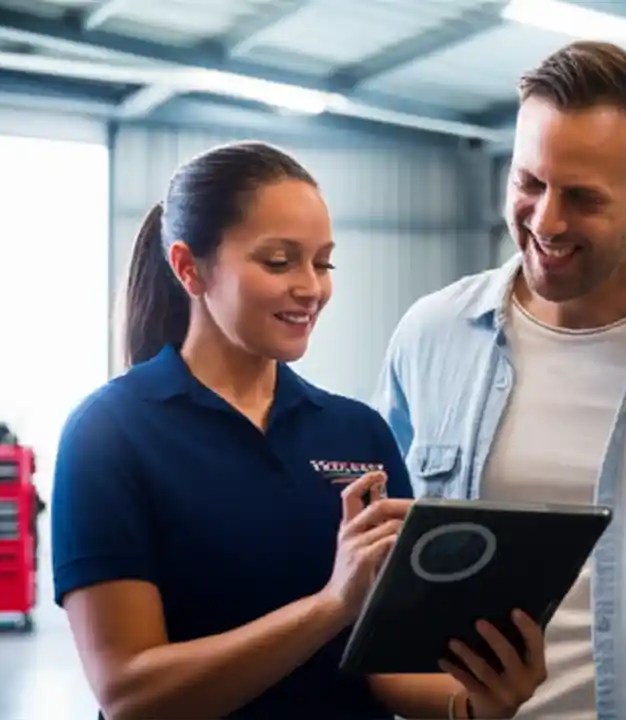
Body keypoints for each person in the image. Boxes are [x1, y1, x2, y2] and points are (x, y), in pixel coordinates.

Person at [50, 141, 548, 720]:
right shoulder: (109, 434)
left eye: (323, 263)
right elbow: (130, 694)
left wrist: (477, 703)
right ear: (189, 268)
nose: (311, 287)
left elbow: (382, 669)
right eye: (279, 261)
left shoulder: (356, 433)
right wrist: (330, 605)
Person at [373, 42, 626, 720]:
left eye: (582, 198)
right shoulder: (430, 336)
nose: (546, 221)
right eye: (529, 182)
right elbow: (383, 586)